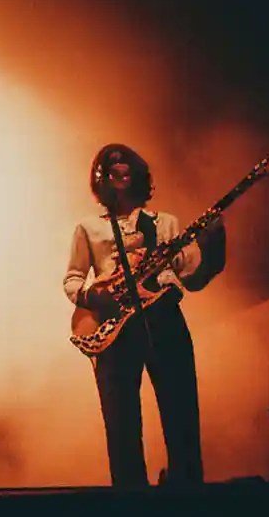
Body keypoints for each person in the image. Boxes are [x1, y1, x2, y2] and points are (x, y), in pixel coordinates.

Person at [64, 144, 226, 487]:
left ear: (136, 172)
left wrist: (211, 246)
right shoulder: (88, 227)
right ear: (101, 178)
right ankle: (130, 498)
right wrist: (93, 294)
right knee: (121, 421)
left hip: (163, 316)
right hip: (113, 326)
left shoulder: (164, 223)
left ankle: (187, 490)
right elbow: (73, 277)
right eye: (109, 167)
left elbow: (192, 276)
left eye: (124, 165)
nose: (117, 170)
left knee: (181, 409)